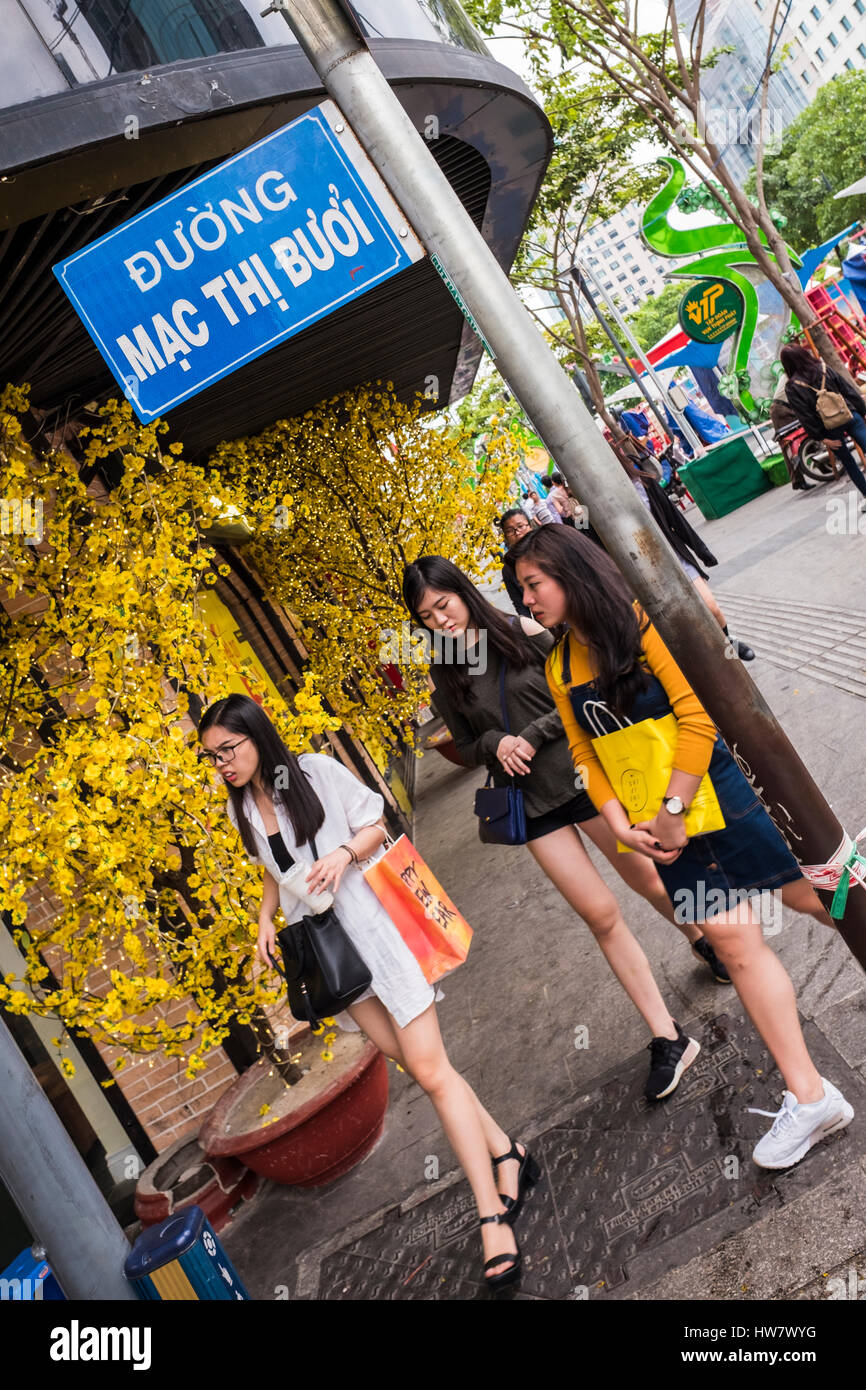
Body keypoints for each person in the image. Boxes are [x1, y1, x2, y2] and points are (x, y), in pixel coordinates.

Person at [509, 525, 854, 1170]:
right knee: (732, 944)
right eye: (521, 590)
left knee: (817, 895)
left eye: (534, 584)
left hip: (720, 799)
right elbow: (585, 753)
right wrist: (619, 824)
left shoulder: (643, 624)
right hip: (662, 835)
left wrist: (671, 809)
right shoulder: (558, 665)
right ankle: (811, 1097)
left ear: (572, 573)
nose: (527, 601)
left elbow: (699, 717)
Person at [198, 694, 530, 1291]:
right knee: (424, 1068)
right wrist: (265, 918)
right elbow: (273, 869)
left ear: (255, 735)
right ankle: (507, 1153)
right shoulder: (240, 807)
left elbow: (375, 823)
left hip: (380, 936)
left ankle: (490, 1217)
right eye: (211, 757)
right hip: (334, 957)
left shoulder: (313, 773)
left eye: (228, 750)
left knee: (432, 1074)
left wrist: (343, 855)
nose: (221, 764)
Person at [402, 555, 734, 1105]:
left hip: (586, 781)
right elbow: (463, 743)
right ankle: (668, 1036)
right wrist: (495, 744)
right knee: (600, 916)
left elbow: (578, 697)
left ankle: (704, 940)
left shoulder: (523, 632)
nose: (440, 621)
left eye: (444, 605)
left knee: (650, 881)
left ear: (462, 592)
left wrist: (530, 735)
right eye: (426, 617)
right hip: (532, 805)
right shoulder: (446, 672)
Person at [611, 434, 756, 662]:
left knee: (711, 607)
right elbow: (588, 536)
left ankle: (728, 641)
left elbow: (675, 518)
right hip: (640, 571)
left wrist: (701, 550)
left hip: (673, 554)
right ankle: (711, 659)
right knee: (680, 624)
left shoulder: (644, 483)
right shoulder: (588, 503)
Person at [781, 343, 866, 509]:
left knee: (849, 463)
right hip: (849, 414)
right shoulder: (824, 368)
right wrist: (862, 411)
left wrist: (821, 438)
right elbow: (847, 390)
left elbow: (805, 415)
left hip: (829, 429)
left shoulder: (792, 387)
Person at [769, 373, 815, 492]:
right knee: (788, 444)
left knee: (807, 434)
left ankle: (826, 467)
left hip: (784, 407)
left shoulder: (793, 369)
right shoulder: (793, 371)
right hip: (781, 410)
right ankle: (798, 480)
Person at [498, 508, 534, 616]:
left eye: (520, 526)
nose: (517, 533)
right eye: (510, 531)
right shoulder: (509, 569)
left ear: (530, 526)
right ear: (506, 537)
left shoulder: (551, 546)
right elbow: (520, 605)